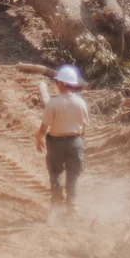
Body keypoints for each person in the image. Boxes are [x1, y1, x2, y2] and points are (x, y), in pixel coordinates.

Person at [35, 63, 89, 214]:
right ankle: (73, 206)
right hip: (75, 142)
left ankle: (57, 206)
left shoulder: (53, 103)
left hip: (56, 142)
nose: (56, 83)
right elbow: (84, 126)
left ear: (62, 83)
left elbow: (44, 127)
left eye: (58, 81)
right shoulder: (80, 102)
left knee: (56, 172)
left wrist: (38, 138)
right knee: (73, 175)